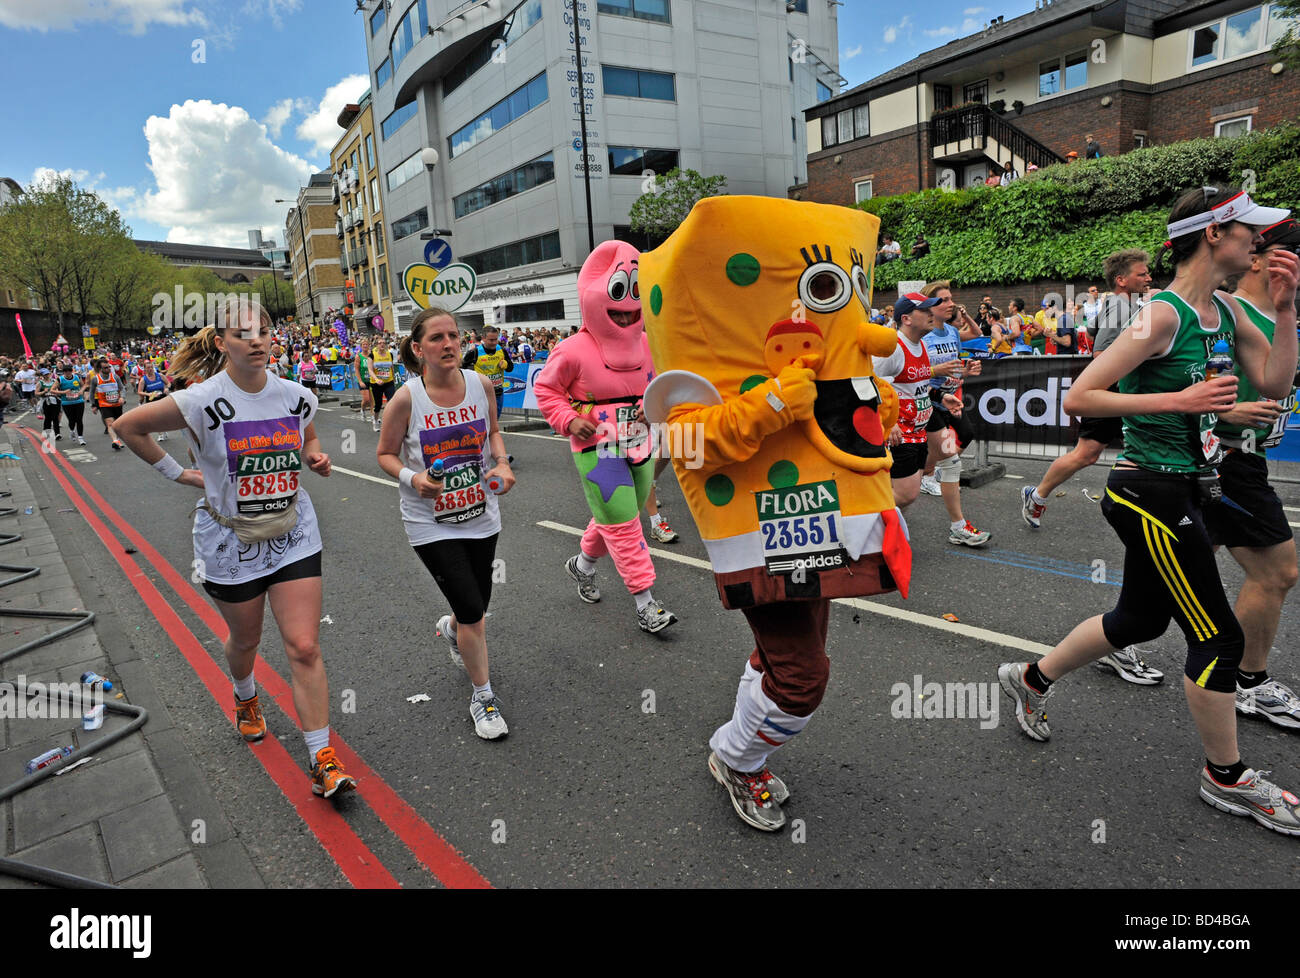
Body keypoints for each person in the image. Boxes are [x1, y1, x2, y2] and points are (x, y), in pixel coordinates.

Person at [999, 184, 1300, 836]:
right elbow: (1083, 394)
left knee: (1136, 618)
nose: (1259, 243)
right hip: (1148, 493)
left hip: (1192, 487)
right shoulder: (1160, 315)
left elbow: (1276, 382)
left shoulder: (1226, 310)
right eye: (1248, 231)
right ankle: (1227, 779)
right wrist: (1178, 406)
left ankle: (1029, 678)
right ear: (1212, 235)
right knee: (1217, 638)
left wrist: (1286, 308)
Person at [641, 196, 912, 831]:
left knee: (782, 656)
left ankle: (745, 731)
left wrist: (872, 409)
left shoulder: (827, 353)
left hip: (824, 529)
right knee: (803, 678)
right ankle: (735, 757)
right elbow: (680, 444)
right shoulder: (705, 369)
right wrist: (767, 404)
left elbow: (853, 410)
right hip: (760, 536)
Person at [113, 298, 356, 799]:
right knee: (245, 640)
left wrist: (314, 457)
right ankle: (245, 697)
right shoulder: (201, 400)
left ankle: (321, 757)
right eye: (244, 332)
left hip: (291, 531)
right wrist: (178, 473)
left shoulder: (296, 394)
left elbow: (305, 434)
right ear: (222, 343)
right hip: (228, 540)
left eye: (264, 330)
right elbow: (128, 426)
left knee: (305, 646)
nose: (258, 339)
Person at [376, 307, 515, 740]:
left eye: (454, 335)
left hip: (480, 514)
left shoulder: (480, 384)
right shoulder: (406, 399)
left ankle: (450, 629)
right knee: (475, 613)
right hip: (430, 523)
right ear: (418, 349)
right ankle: (483, 697)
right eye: (436, 338)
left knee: (473, 609)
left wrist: (502, 463)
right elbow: (385, 454)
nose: (449, 343)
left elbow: (492, 431)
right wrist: (412, 477)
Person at [534, 240, 677, 635]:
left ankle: (581, 566)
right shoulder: (572, 349)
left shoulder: (649, 344)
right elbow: (546, 390)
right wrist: (567, 419)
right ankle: (646, 604)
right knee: (625, 523)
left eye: (636, 291)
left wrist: (657, 414)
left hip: (638, 442)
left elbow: (660, 384)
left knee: (620, 513)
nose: (629, 305)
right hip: (598, 448)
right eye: (618, 290)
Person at [1203, 218, 1300, 730]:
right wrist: (1225, 416)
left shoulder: (1277, 312)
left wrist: (1287, 313)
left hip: (1247, 460)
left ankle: (1113, 637)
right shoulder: (1226, 312)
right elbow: (1167, 387)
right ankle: (1249, 682)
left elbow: (1279, 386)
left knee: (1174, 573)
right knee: (1278, 571)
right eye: (1292, 250)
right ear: (1259, 258)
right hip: (1225, 461)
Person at [1022, 250, 1153, 551]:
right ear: (1122, 280)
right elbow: (1100, 353)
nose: (1148, 277)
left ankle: (1142, 510)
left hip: (1121, 393)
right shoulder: (1121, 306)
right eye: (1141, 274)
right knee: (1087, 453)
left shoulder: (1121, 303)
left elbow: (1091, 330)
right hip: (1111, 392)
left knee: (1135, 449)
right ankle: (1037, 495)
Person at [913, 281, 993, 545]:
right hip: (927, 402)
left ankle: (921, 473)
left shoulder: (951, 332)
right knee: (950, 459)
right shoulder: (920, 336)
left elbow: (954, 364)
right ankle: (958, 526)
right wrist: (938, 373)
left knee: (965, 435)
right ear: (930, 306)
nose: (951, 304)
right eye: (944, 300)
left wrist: (965, 371)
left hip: (950, 399)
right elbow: (910, 375)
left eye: (950, 299)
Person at [461, 326, 513, 418]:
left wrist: (506, 364)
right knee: (483, 422)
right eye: (491, 340)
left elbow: (510, 368)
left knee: (495, 421)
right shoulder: (474, 352)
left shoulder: (501, 350)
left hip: (498, 393)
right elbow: (461, 370)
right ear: (483, 338)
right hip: (481, 394)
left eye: (495, 339)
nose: (494, 343)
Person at [87, 358, 126, 451]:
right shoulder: (95, 379)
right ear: (100, 369)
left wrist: (122, 397)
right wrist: (93, 405)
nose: (108, 369)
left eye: (109, 367)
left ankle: (118, 439)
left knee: (118, 424)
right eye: (105, 368)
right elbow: (91, 393)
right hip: (104, 405)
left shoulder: (115, 377)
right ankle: (115, 441)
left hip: (117, 404)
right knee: (110, 424)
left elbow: (122, 388)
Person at [369, 334, 398, 432]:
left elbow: (391, 367)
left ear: (386, 345)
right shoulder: (372, 355)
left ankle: (391, 421)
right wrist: (376, 379)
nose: (382, 345)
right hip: (376, 383)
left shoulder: (389, 354)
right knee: (378, 404)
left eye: (383, 343)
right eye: (379, 343)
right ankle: (376, 421)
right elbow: (370, 370)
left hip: (388, 381)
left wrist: (393, 378)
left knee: (392, 402)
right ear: (376, 345)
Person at [137, 358, 171, 442]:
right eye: (148, 368)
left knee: (163, 417)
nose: (150, 369)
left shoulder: (160, 375)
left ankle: (164, 429)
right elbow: (139, 391)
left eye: (151, 367)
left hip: (162, 398)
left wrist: (167, 388)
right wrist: (148, 394)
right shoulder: (143, 380)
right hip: (152, 400)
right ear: (145, 369)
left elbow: (169, 383)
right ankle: (160, 434)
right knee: (155, 418)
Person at [56, 361, 86, 446]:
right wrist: (64, 392)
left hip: (79, 401)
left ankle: (80, 438)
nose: (68, 372)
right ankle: (72, 431)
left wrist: (81, 391)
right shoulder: (60, 379)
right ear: (63, 372)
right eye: (65, 371)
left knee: (79, 419)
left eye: (69, 370)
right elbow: (52, 390)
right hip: (67, 403)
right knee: (71, 420)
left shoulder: (76, 377)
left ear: (71, 370)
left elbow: (83, 385)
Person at [353, 338, 374, 424]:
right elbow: (357, 370)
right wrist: (360, 381)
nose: (365, 346)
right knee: (366, 399)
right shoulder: (358, 356)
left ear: (369, 345)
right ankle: (362, 409)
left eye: (366, 344)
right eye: (363, 345)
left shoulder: (371, 355)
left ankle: (373, 416)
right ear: (361, 346)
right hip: (363, 380)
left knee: (372, 399)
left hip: (371, 379)